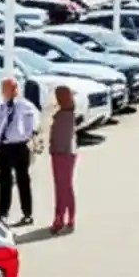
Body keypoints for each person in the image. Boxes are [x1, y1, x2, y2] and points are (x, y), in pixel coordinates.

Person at [0, 78, 40, 226]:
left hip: (19, 146)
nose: (4, 92)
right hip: (5, 146)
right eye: (3, 89)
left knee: (23, 179)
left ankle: (27, 213)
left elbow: (33, 124)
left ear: (15, 89)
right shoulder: (1, 106)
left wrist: (27, 135)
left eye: (7, 88)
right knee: (4, 179)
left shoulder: (25, 106)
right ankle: (3, 211)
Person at [49, 85, 79, 234]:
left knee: (63, 187)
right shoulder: (65, 112)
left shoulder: (66, 114)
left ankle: (60, 218)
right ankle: (68, 217)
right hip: (62, 153)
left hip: (63, 153)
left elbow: (63, 137)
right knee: (65, 187)